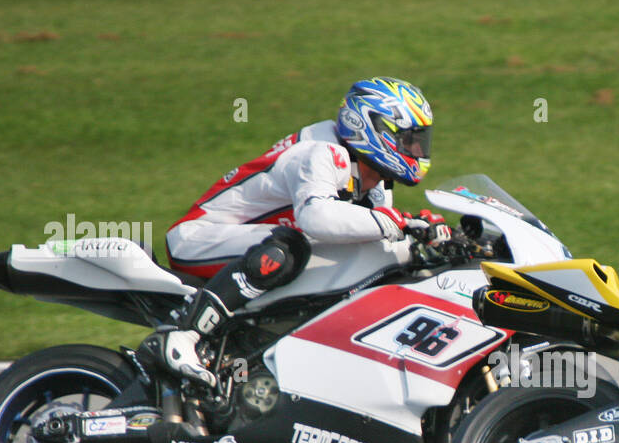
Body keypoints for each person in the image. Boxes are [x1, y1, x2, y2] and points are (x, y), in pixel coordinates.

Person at [142, 76, 450, 389]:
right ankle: (183, 335)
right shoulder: (320, 152)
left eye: (420, 140)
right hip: (200, 237)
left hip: (246, 244)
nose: (416, 149)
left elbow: (375, 232)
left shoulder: (374, 181)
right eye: (409, 139)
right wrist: (394, 221)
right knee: (288, 249)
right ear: (370, 126)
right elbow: (317, 218)